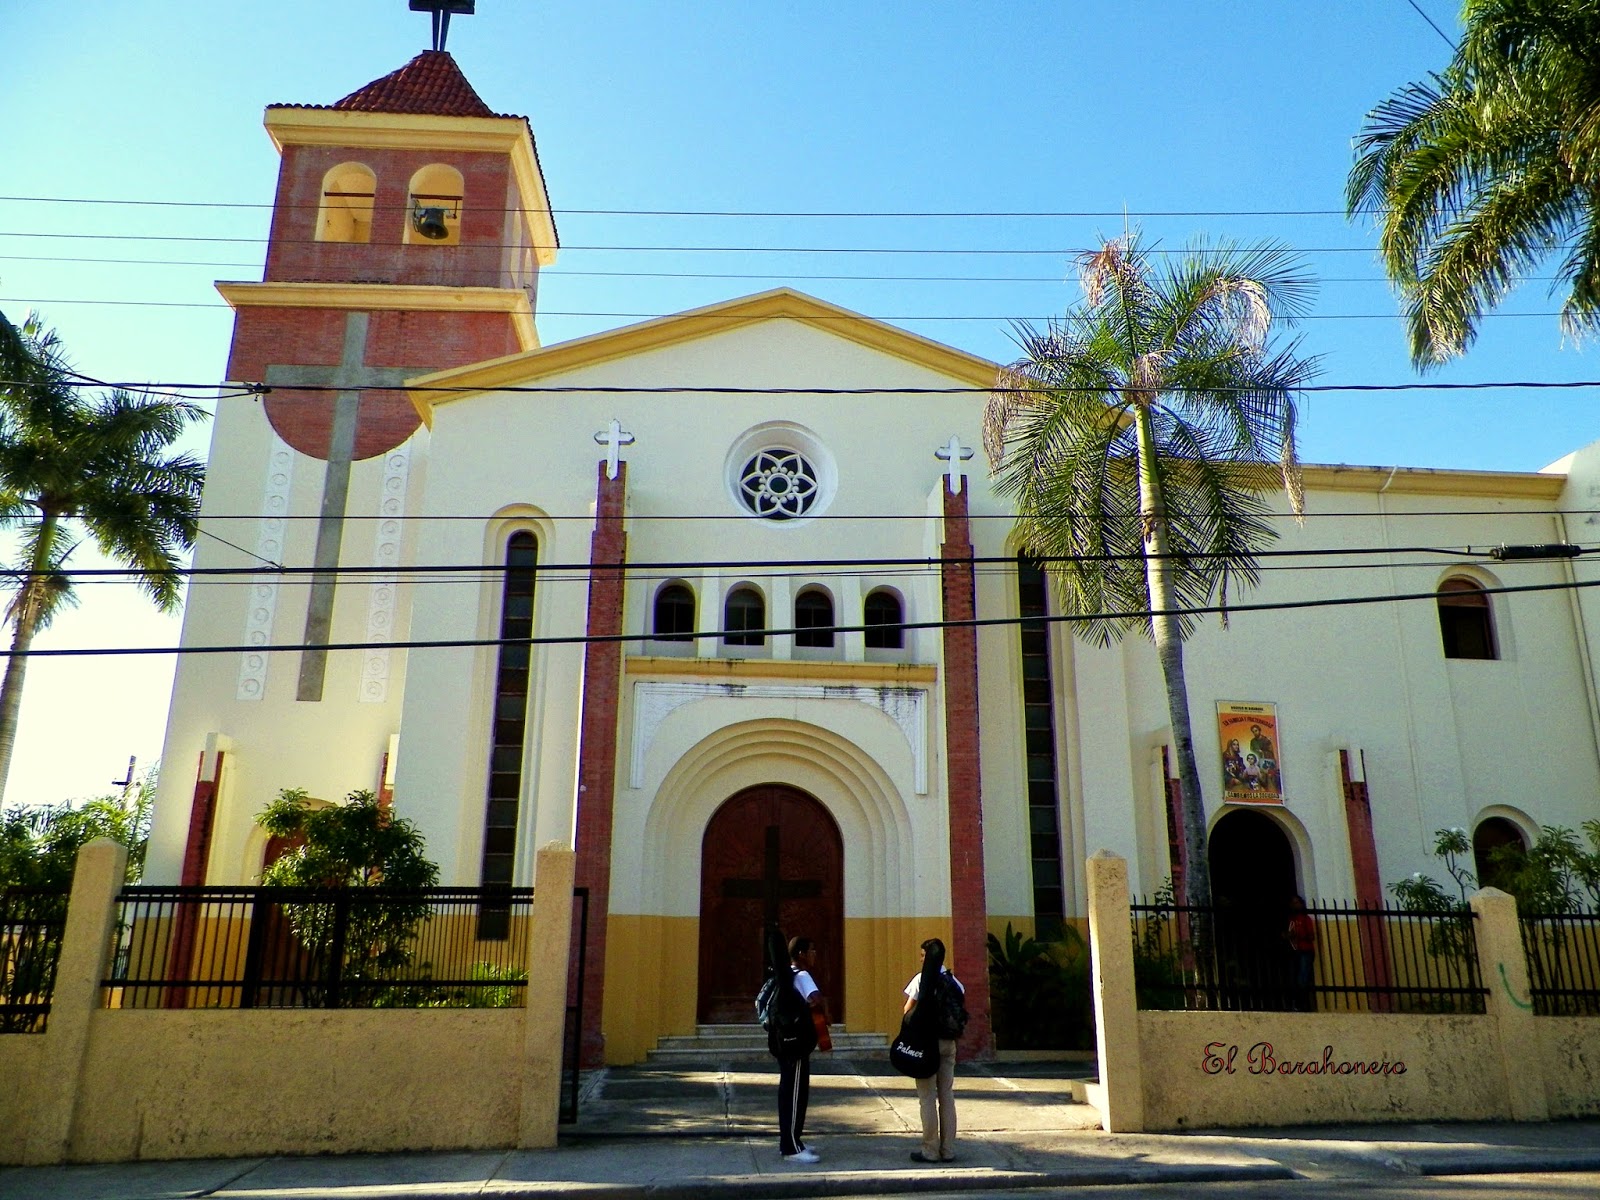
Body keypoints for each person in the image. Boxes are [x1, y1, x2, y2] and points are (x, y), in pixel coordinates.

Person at [903, 937, 962, 1163]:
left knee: (927, 1097)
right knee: (947, 1096)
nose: (920, 959)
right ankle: (948, 1150)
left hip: (927, 1044)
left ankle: (930, 1150)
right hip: (949, 1044)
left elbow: (907, 1010)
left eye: (922, 955)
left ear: (927, 957)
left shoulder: (921, 980)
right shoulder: (954, 981)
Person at [776, 935, 826, 1164]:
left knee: (790, 1092)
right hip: (795, 1045)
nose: (815, 955)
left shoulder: (787, 974)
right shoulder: (802, 975)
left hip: (786, 1043)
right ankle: (791, 1148)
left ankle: (793, 1139)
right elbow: (814, 998)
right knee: (795, 1095)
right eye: (812, 950)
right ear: (801, 955)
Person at [1286, 896, 1316, 1012]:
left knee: (1302, 979)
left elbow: (1311, 936)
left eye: (1297, 902)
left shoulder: (1306, 919)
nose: (1295, 905)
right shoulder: (1291, 920)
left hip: (1305, 950)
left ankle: (1303, 1004)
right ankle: (1297, 1003)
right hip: (1295, 951)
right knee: (1295, 978)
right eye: (1293, 903)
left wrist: (1298, 935)